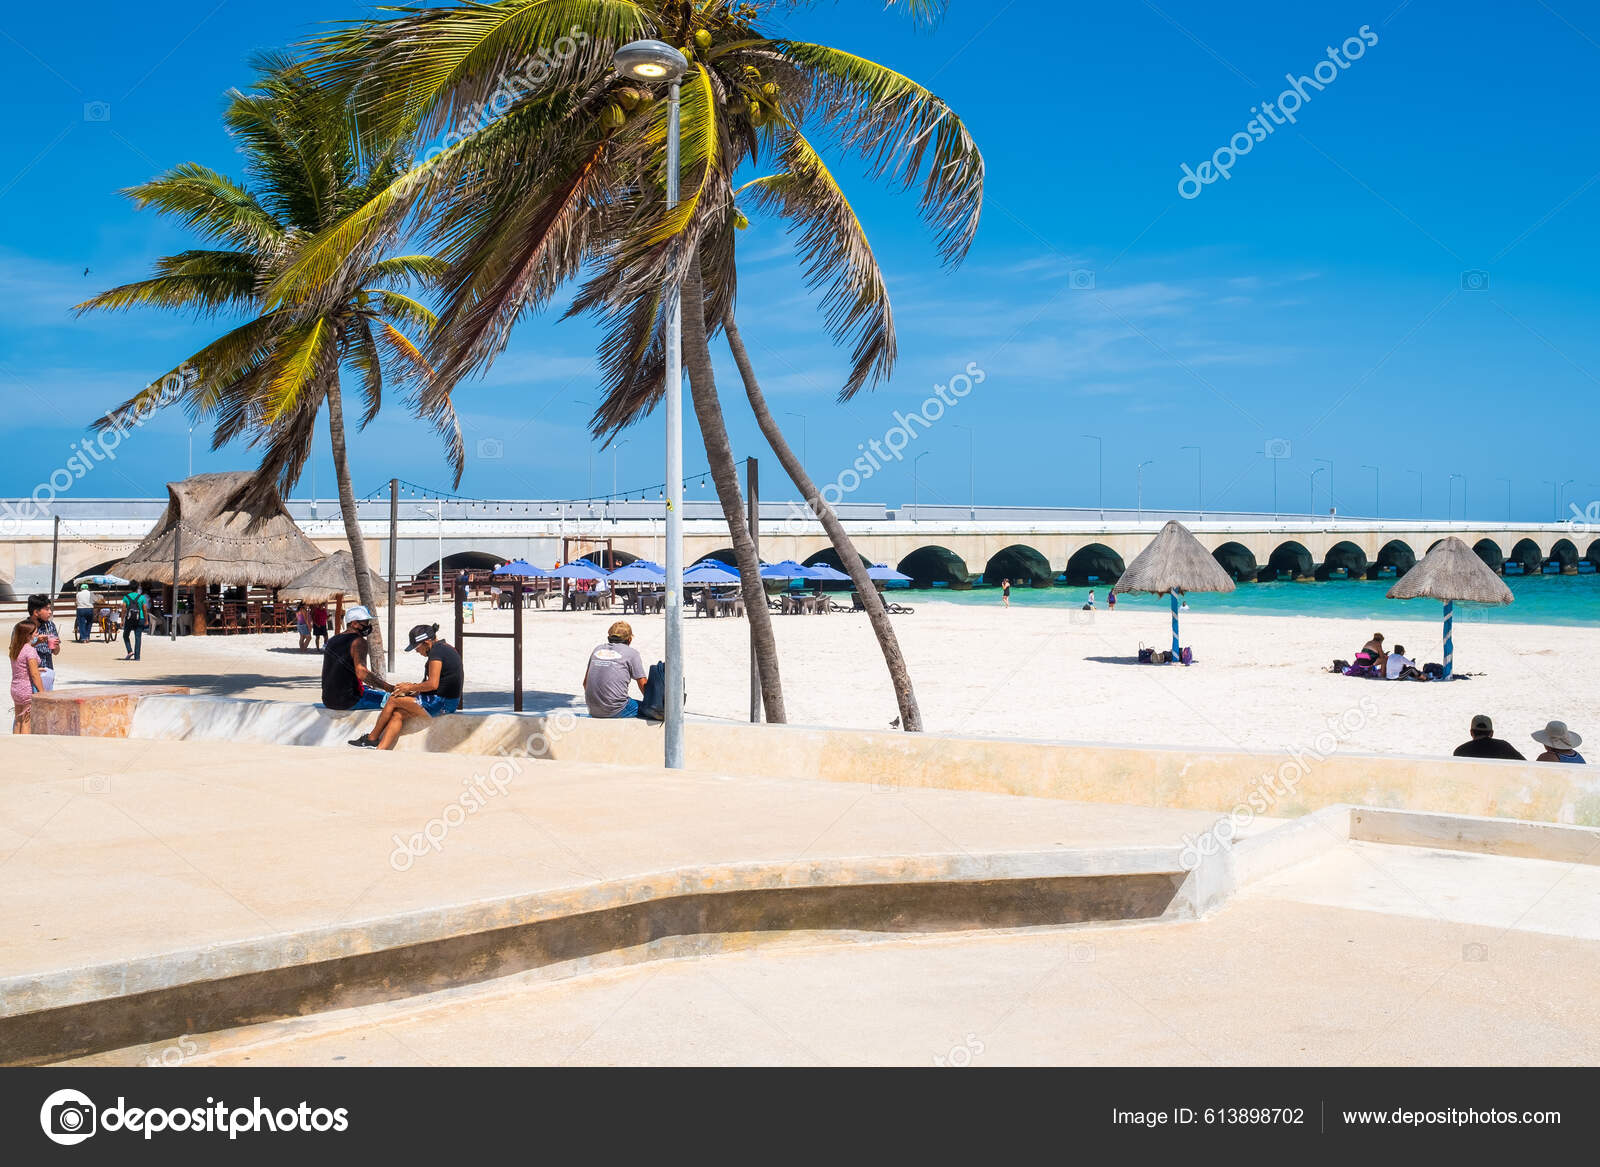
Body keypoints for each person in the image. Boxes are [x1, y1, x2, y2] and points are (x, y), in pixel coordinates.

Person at [348, 623, 462, 749]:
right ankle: (380, 749)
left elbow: (433, 684)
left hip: (442, 703)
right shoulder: (444, 647)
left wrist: (409, 688)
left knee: (393, 700)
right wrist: (414, 690)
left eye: (417, 647)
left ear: (426, 642)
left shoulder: (436, 653)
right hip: (447, 701)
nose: (417, 651)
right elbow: (440, 683)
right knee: (398, 714)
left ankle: (371, 738)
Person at [321, 606, 394, 713]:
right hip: (348, 701)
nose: (368, 626)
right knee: (394, 700)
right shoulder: (359, 642)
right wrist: (389, 688)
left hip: (328, 700)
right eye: (365, 623)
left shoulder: (333, 640)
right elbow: (362, 673)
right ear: (354, 623)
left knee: (368, 690)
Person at [583, 620, 646, 719]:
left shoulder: (597, 649)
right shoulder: (632, 653)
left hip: (592, 709)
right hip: (616, 709)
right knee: (649, 709)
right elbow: (643, 685)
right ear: (629, 639)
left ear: (609, 637)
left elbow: (585, 684)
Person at [10, 618, 44, 733]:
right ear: (28, 635)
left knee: (18, 720)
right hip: (26, 689)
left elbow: (22, 667)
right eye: (35, 632)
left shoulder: (15, 648)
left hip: (15, 688)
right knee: (26, 722)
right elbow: (34, 674)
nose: (37, 634)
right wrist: (42, 692)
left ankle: (16, 746)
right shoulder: (30, 651)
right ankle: (25, 747)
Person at [1452, 715, 1526, 760]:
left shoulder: (1460, 751)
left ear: (1471, 732)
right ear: (1491, 733)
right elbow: (1525, 765)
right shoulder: (1504, 747)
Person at [27, 595, 59, 689]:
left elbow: (56, 652)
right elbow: (15, 651)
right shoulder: (23, 628)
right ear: (36, 612)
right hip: (29, 675)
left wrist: (55, 645)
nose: (50, 612)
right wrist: (36, 642)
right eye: (47, 609)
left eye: (50, 609)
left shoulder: (50, 625)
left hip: (47, 673)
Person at [121, 584, 148, 661]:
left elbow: (123, 609)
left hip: (129, 619)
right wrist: (146, 620)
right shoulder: (141, 597)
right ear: (137, 589)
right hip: (140, 618)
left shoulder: (126, 597)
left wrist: (122, 620)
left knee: (125, 635)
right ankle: (137, 657)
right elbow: (145, 609)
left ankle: (130, 651)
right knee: (138, 637)